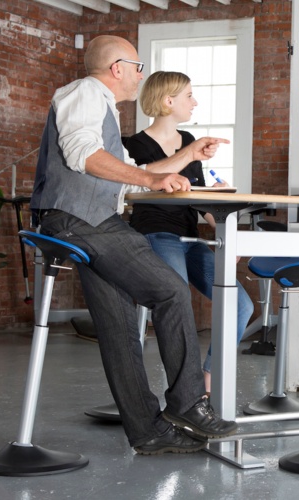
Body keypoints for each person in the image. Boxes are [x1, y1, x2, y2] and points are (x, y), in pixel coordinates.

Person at [30, 35, 237, 456]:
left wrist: (188, 154)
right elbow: (82, 155)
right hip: (82, 220)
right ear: (117, 68)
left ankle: (147, 431)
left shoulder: (101, 105)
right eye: (138, 67)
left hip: (79, 220)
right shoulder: (85, 92)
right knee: (170, 290)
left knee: (121, 326)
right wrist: (150, 180)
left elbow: (130, 167)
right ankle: (188, 405)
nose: (142, 75)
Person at [124, 71, 254, 395]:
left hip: (190, 238)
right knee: (178, 303)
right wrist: (190, 153)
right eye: (189, 96)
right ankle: (184, 391)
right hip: (155, 235)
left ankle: (205, 384)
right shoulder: (134, 146)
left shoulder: (188, 143)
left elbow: (198, 202)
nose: (195, 102)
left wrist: (220, 213)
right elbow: (138, 177)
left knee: (240, 304)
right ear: (169, 101)